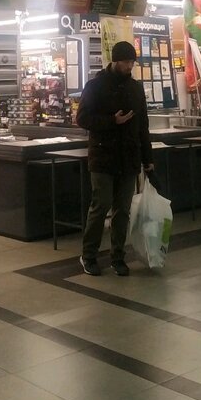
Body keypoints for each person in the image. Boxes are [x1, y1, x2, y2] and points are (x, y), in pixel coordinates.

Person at [75, 40, 153, 277]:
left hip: (129, 157)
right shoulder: (95, 86)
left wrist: (148, 157)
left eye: (132, 62)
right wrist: (112, 121)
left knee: (123, 210)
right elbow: (82, 118)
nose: (129, 66)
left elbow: (143, 125)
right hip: (103, 156)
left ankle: (118, 257)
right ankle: (88, 256)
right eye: (126, 62)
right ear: (115, 61)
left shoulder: (136, 88)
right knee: (100, 207)